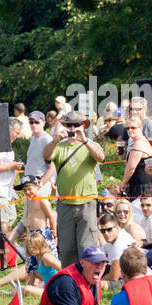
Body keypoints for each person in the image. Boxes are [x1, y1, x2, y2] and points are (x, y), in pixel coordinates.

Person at [45, 110, 106, 266]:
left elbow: (101, 157)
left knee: (87, 248)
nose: (73, 128)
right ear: (65, 126)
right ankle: (70, 285)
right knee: (66, 250)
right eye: (69, 125)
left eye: (77, 125)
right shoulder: (59, 146)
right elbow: (45, 156)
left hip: (87, 204)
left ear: (83, 126)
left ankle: (89, 285)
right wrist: (55, 140)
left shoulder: (90, 144)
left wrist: (85, 140)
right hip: (65, 205)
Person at [32, 245, 111, 305]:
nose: (99, 266)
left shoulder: (94, 280)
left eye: (103, 263)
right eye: (95, 262)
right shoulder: (66, 283)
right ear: (82, 262)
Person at [120, 115, 152, 200]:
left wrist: (123, 183)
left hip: (140, 187)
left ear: (140, 128)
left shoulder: (138, 144)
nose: (130, 130)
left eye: (133, 127)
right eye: (128, 128)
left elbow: (131, 168)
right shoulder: (144, 141)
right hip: (146, 185)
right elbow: (151, 168)